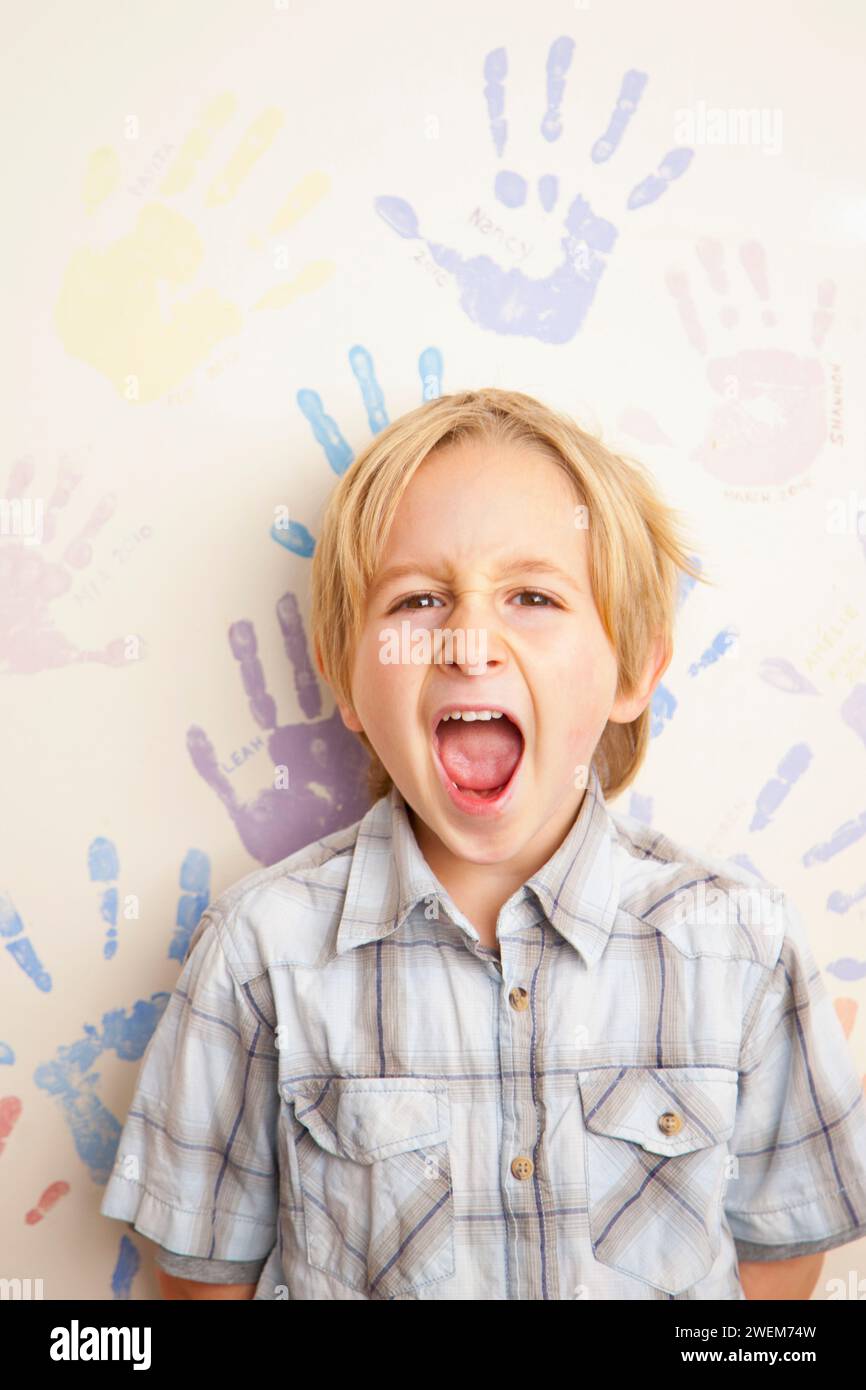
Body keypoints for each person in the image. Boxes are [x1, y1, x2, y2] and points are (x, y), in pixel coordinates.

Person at [99, 387, 866, 1299]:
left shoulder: (741, 944)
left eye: (533, 596)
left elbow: (779, 1260)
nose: (470, 642)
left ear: (635, 670)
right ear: (347, 680)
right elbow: (201, 1277)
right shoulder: (259, 953)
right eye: (420, 599)